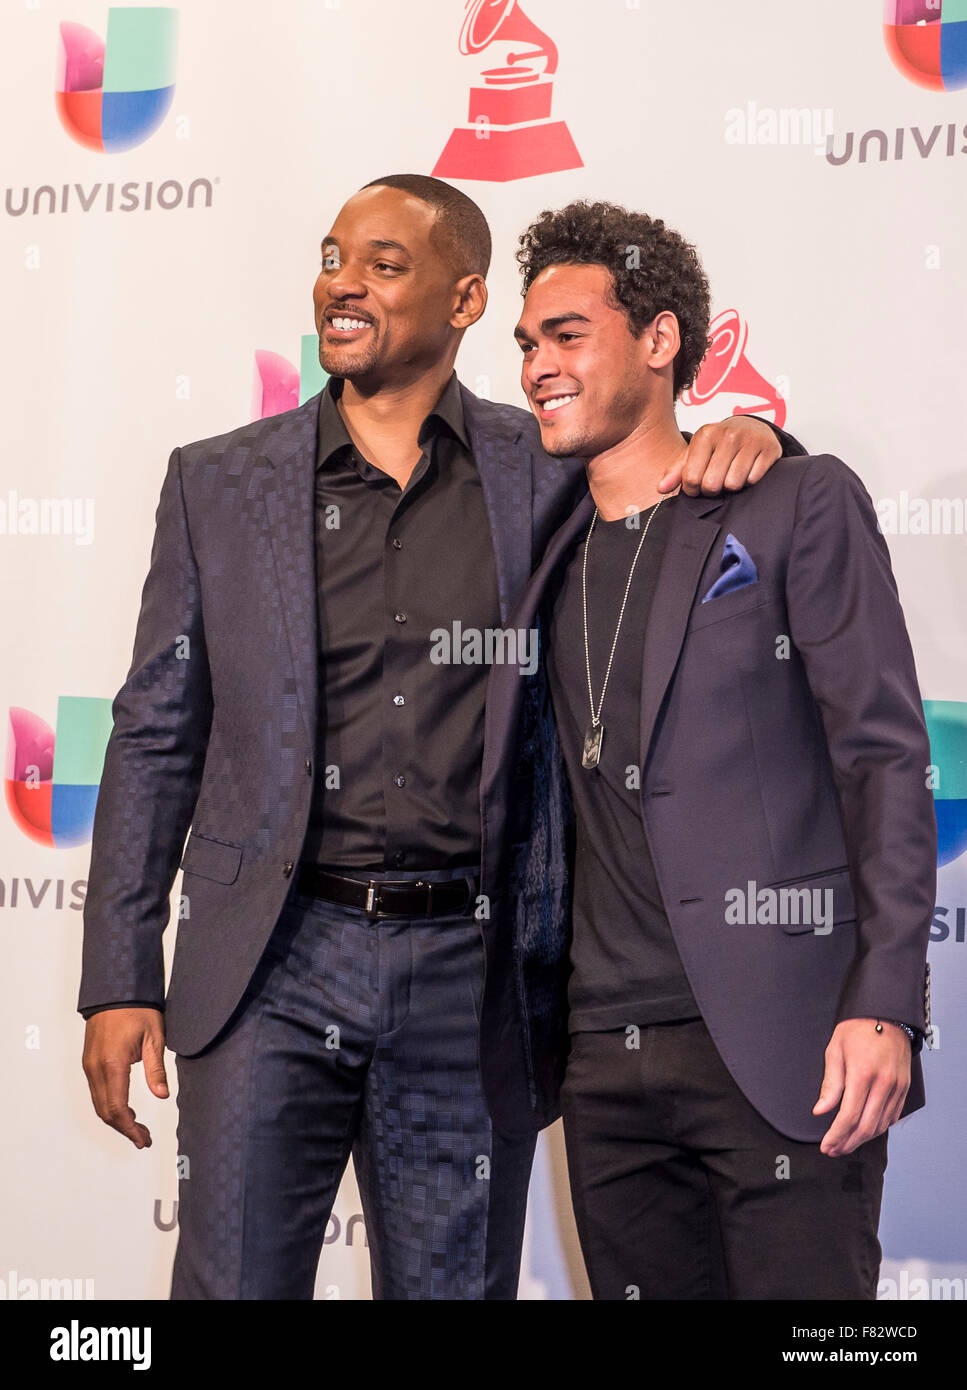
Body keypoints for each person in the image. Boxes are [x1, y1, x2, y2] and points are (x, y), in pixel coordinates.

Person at [78, 175, 802, 1300]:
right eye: (330, 257)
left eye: (382, 263)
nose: (342, 284)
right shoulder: (217, 484)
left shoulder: (548, 470)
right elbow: (153, 737)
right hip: (272, 963)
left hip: (472, 974)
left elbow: (674, 464)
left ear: (465, 300)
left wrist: (763, 436)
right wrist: (118, 974)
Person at [486, 199, 935, 1300]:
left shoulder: (790, 502)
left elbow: (882, 758)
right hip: (600, 1060)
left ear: (659, 339)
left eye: (568, 334)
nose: (538, 363)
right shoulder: (539, 543)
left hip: (783, 1044)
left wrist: (884, 1001)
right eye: (527, 342)